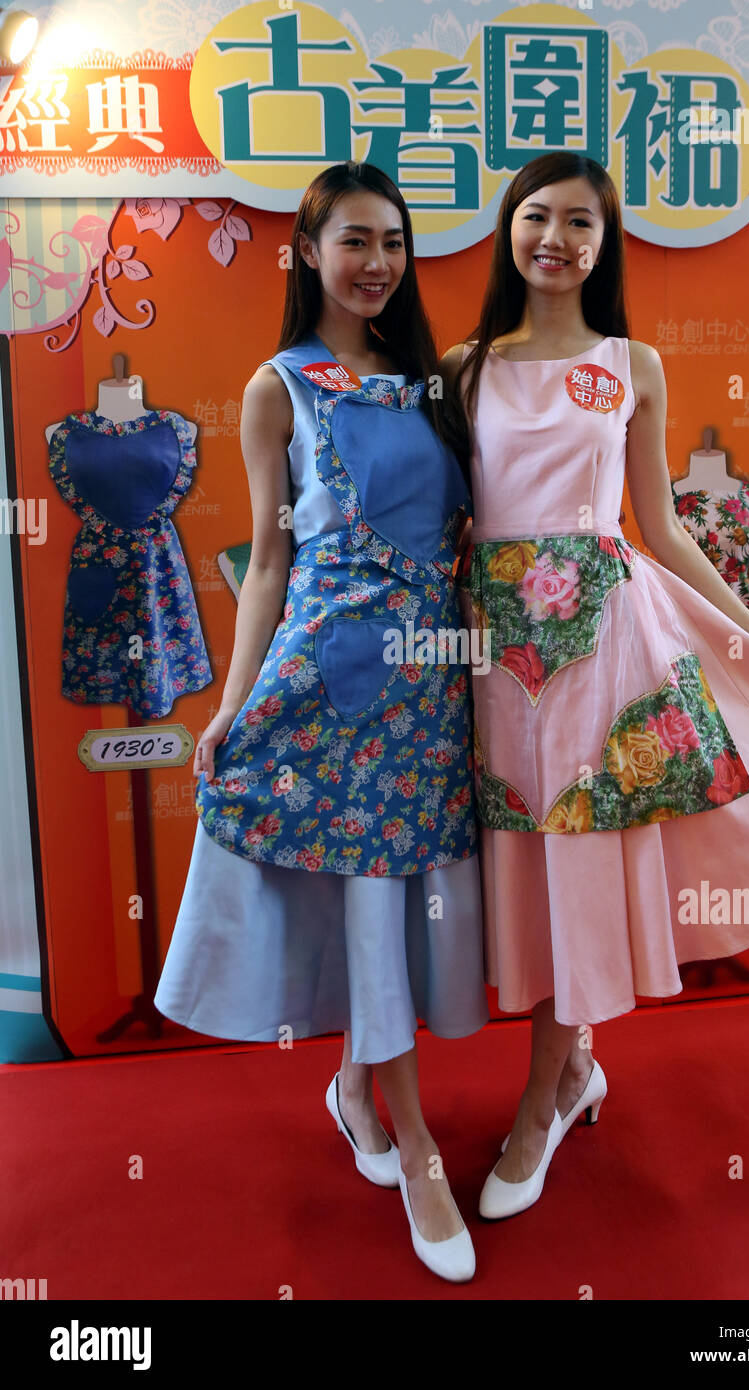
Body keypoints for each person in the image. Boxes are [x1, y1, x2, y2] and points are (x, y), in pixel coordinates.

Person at [441, 151, 749, 1221]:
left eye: (579, 222)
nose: (555, 239)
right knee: (519, 866)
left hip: (599, 639)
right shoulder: (460, 365)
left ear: (602, 242)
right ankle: (571, 1064)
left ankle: (542, 1095)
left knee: (579, 856)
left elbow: (660, 526)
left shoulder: (631, 364)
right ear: (507, 229)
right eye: (536, 216)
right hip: (492, 647)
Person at [155, 161, 489, 1282]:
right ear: (305, 250)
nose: (377, 263)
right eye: (353, 241)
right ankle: (417, 1142)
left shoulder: (438, 381)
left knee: (394, 911)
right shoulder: (278, 386)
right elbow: (267, 562)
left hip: (431, 688)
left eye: (392, 242)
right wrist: (230, 703)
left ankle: (353, 1081)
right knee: (360, 899)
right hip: (328, 680)